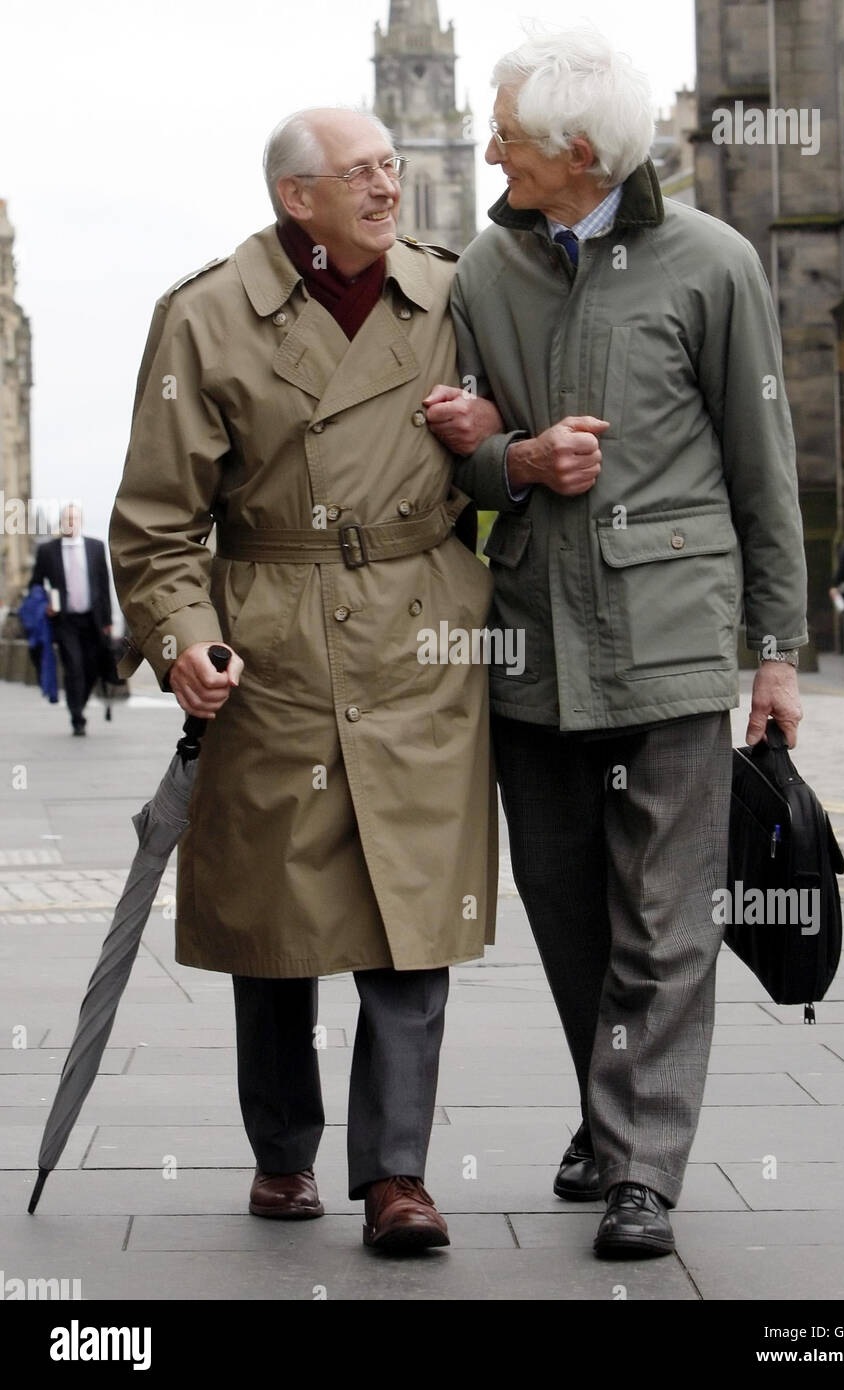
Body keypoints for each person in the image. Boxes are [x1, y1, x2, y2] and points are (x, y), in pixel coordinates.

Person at [425, 27, 807, 1259]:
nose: (489, 152)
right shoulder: (485, 267)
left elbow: (764, 469)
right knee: (563, 904)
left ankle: (641, 1162)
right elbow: (464, 455)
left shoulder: (713, 262)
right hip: (531, 640)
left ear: (578, 154)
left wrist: (777, 648)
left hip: (671, 641)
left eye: (509, 136)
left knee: (664, 912)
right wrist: (512, 459)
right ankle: (611, 1109)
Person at [109, 107, 501, 1252]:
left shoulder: (454, 291)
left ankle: (396, 1175)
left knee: (410, 905)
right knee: (276, 910)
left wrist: (492, 436)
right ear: (298, 200)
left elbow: (521, 442)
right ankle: (283, 1151)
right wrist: (182, 632)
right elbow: (158, 516)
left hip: (419, 625)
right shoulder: (204, 315)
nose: (390, 189)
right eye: (364, 175)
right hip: (272, 632)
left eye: (391, 169)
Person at [29, 505, 113, 734]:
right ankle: (77, 717)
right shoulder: (47, 550)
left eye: (74, 518)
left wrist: (107, 621)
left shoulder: (96, 547)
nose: (70, 522)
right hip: (65, 621)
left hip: (92, 619)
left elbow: (103, 585)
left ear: (80, 522)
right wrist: (46, 604)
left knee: (91, 668)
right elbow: (35, 583)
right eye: (66, 518)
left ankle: (80, 704)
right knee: (73, 666)